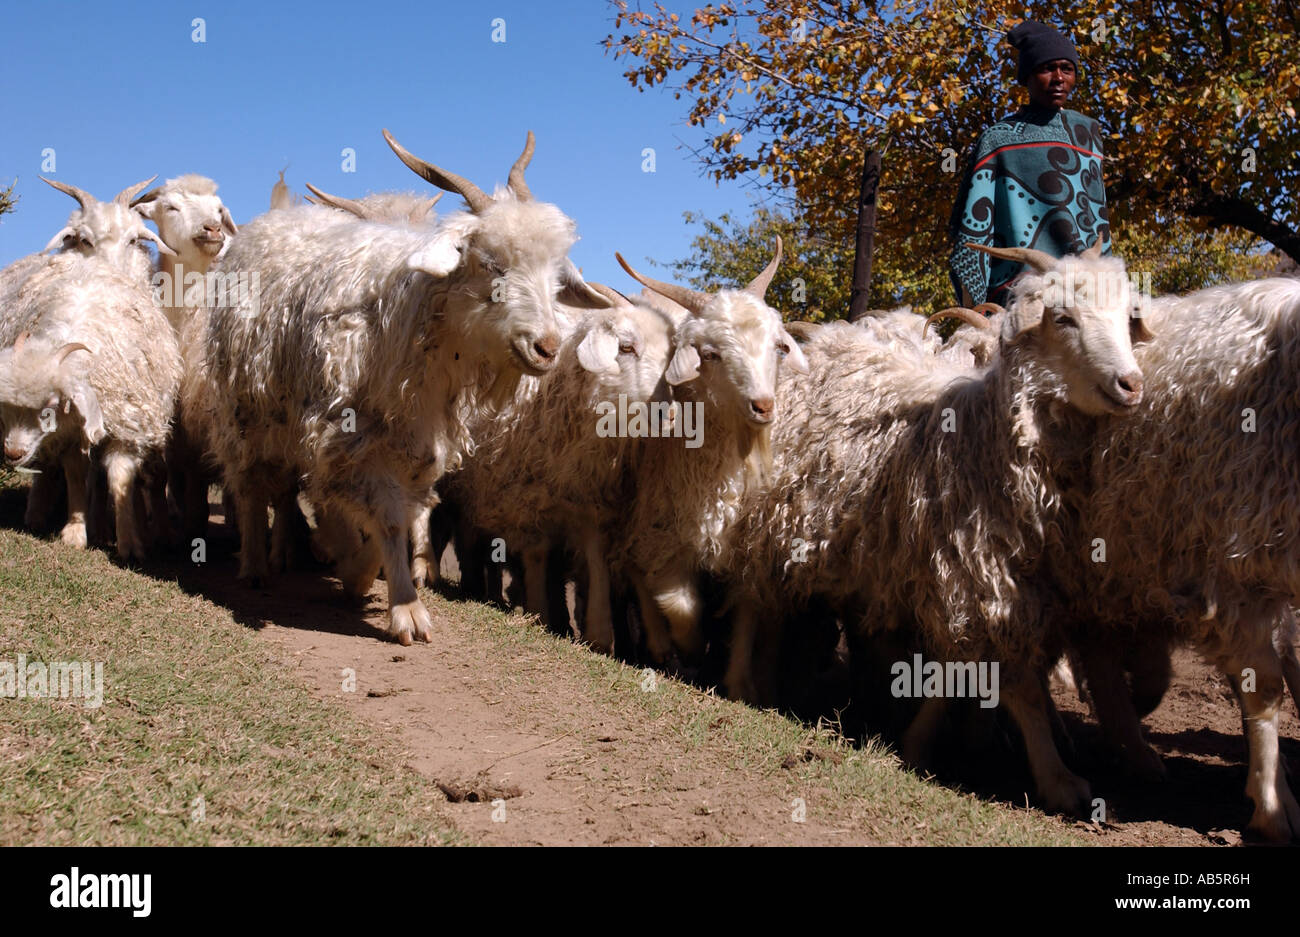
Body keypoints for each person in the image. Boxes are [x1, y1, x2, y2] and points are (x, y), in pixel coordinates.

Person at [948, 21, 1112, 307]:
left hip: (1087, 292)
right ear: (1026, 76)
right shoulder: (997, 140)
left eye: (1067, 68)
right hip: (1023, 295)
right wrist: (975, 309)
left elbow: (1097, 222)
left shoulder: (1089, 134)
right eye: (1047, 68)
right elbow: (973, 228)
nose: (1059, 77)